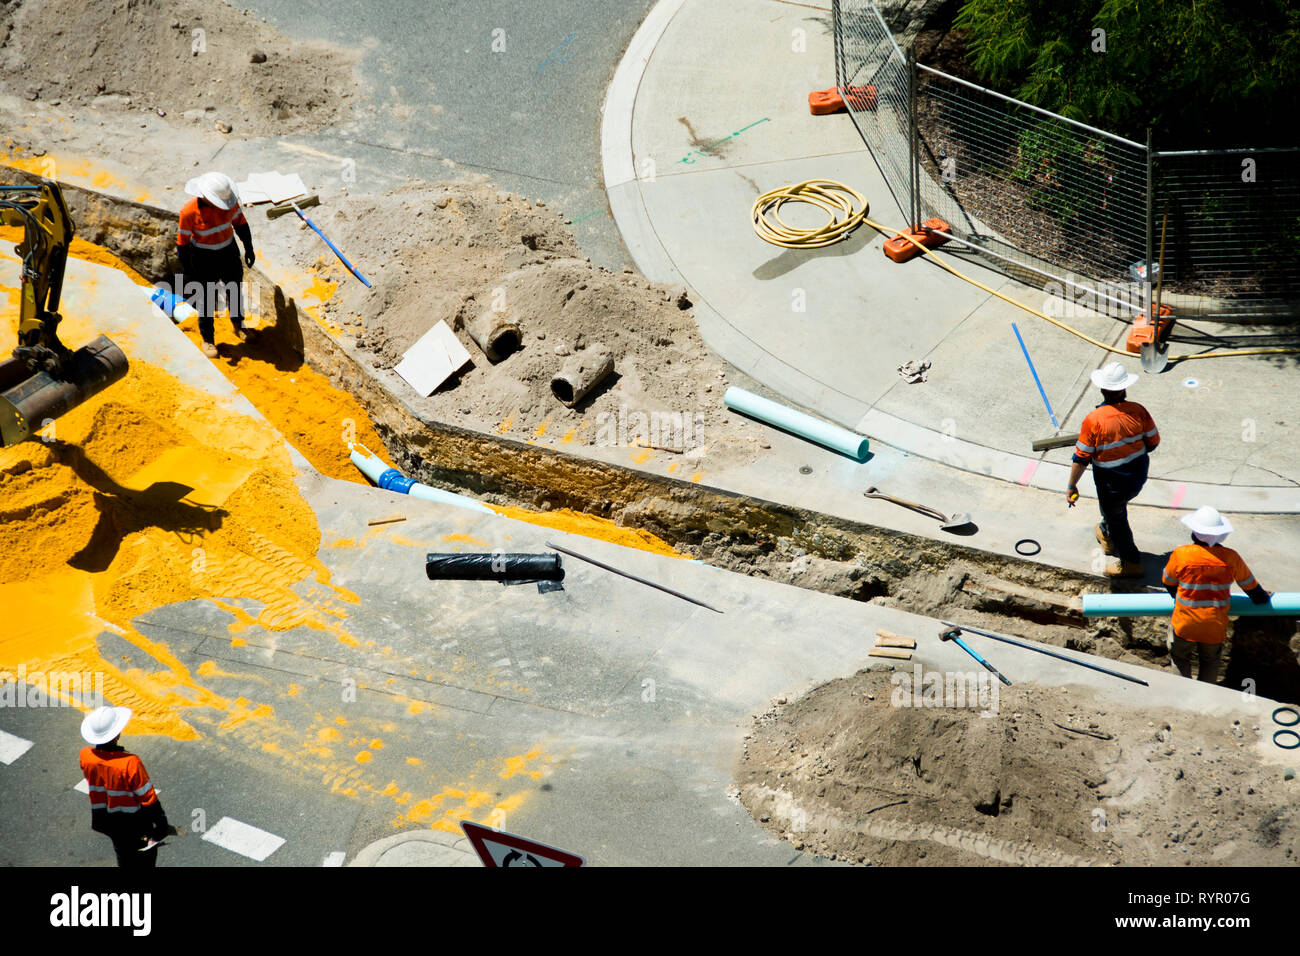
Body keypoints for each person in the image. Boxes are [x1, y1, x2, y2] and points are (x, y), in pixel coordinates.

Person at [1066, 361, 1160, 578]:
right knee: (1113, 511)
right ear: (1124, 388)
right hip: (1136, 478)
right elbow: (1153, 443)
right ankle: (1106, 536)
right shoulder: (1138, 411)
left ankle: (1131, 562)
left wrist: (1072, 484)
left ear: (1103, 389)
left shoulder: (1094, 420)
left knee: (1118, 518)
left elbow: (1081, 457)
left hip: (1111, 483)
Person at [1162, 506, 1271, 683]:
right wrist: (1263, 598)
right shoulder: (1231, 558)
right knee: (1210, 661)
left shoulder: (1181, 554)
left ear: (1194, 533)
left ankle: (1182, 693)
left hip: (1184, 624)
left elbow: (1167, 581)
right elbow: (1252, 589)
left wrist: (1180, 596)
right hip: (1214, 626)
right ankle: (1206, 696)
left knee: (1180, 657)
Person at [79, 706, 173, 868]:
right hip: (135, 824)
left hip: (108, 822)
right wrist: (162, 825)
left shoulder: (85, 756)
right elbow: (148, 799)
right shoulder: (130, 763)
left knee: (124, 857)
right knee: (146, 858)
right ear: (116, 734)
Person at [177, 171, 255, 359]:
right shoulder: (188, 212)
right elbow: (183, 244)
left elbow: (241, 225)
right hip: (203, 258)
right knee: (206, 299)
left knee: (235, 290)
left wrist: (249, 248)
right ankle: (208, 339)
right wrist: (187, 271)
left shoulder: (229, 205)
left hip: (228, 252)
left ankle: (238, 324)